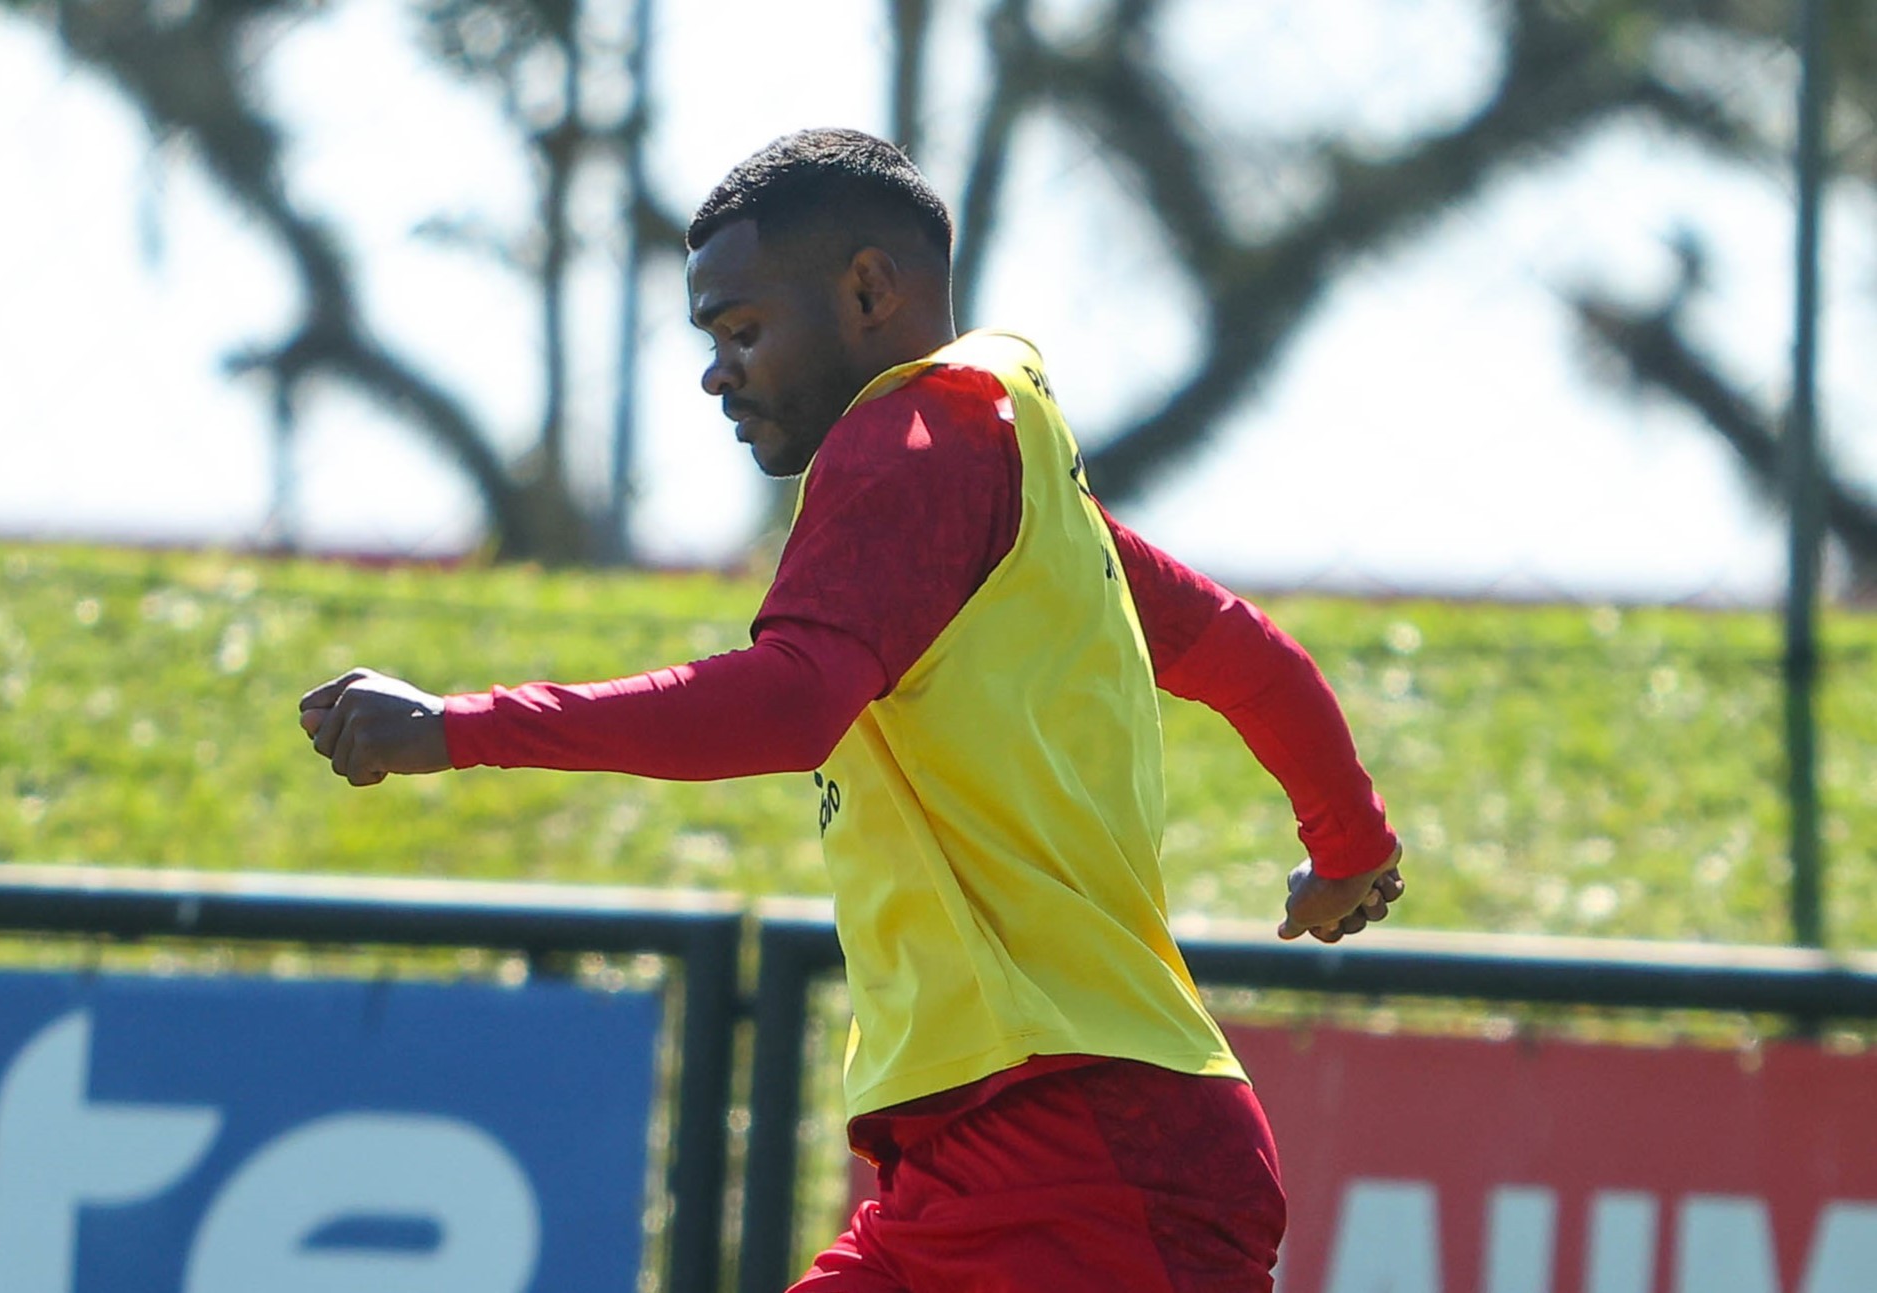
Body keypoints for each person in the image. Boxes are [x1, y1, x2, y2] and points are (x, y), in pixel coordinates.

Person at [299, 127, 1404, 1293]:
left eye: (740, 330)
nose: (716, 372)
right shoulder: (1013, 476)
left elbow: (787, 705)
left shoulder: (912, 442)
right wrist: (1348, 848)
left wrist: (461, 728)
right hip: (1009, 1153)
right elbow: (1245, 656)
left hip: (1080, 1150)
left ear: (868, 290)